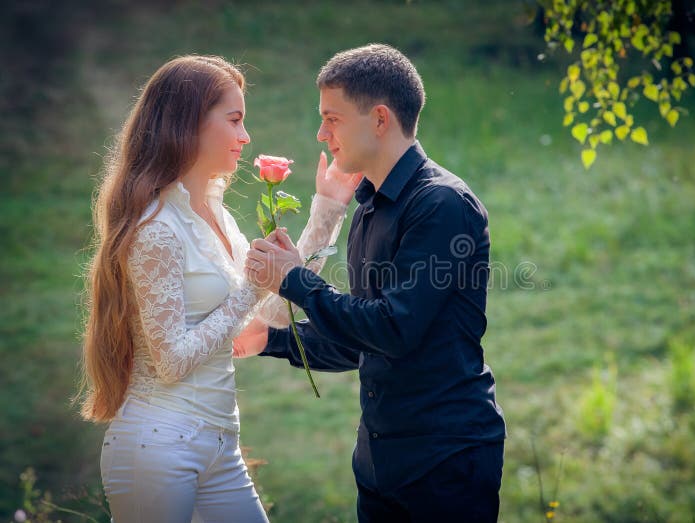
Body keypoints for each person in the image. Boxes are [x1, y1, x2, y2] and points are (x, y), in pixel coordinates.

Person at [77, 54, 360, 522]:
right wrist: (250, 288)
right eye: (234, 120)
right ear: (188, 123)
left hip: (219, 446)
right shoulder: (157, 229)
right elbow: (171, 361)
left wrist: (328, 208)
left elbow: (267, 315)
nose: (245, 137)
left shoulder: (218, 215)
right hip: (158, 447)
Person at [243, 44, 507, 522]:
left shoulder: (442, 205)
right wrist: (273, 340)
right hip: (379, 465)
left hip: (444, 466)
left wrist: (295, 281)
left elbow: (393, 328)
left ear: (380, 119)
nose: (321, 133)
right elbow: (361, 342)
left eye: (332, 118)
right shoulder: (368, 207)